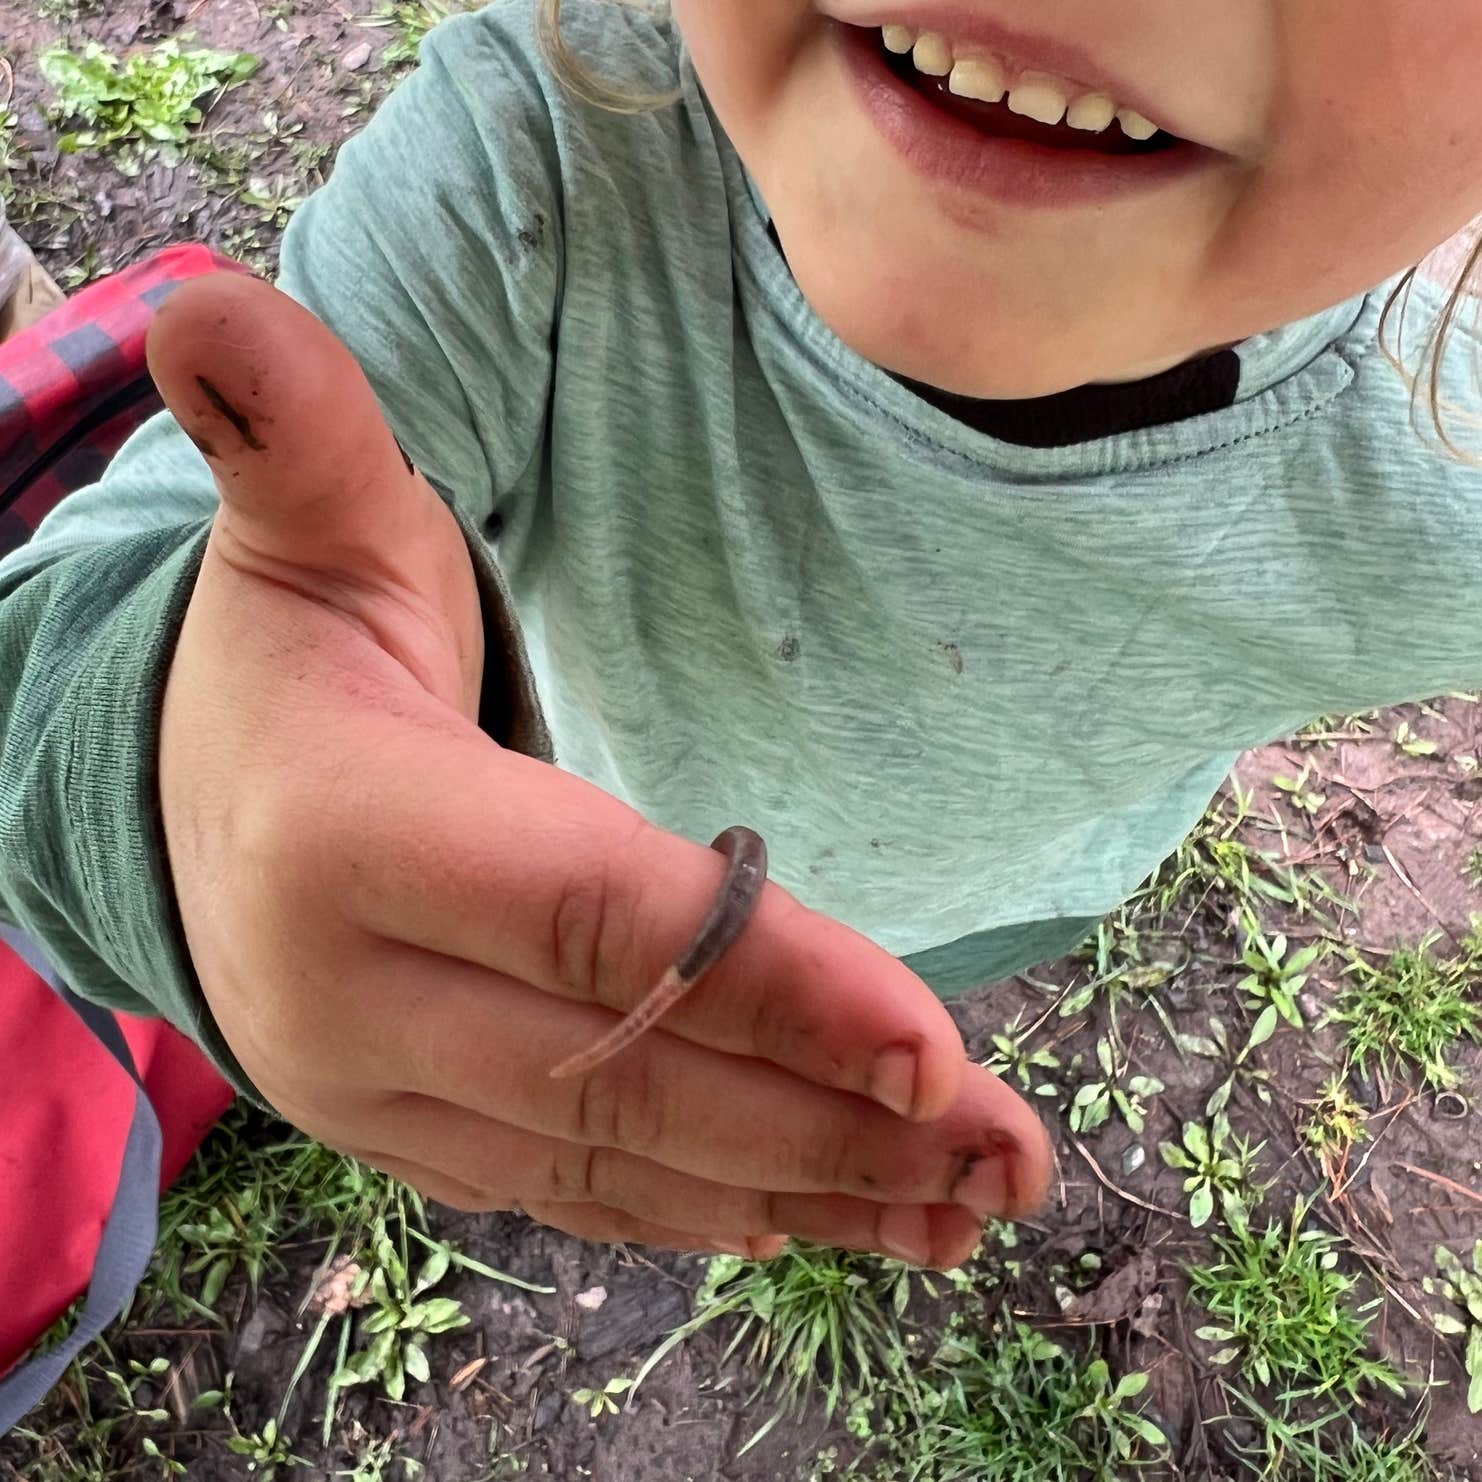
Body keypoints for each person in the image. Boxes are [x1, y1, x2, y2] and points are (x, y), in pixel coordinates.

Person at [1, 0, 1479, 1274]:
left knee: (892, 999)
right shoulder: (541, 153)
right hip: (590, 846)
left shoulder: (1446, 466)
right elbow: (48, 660)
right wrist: (191, 783)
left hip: (1015, 896)